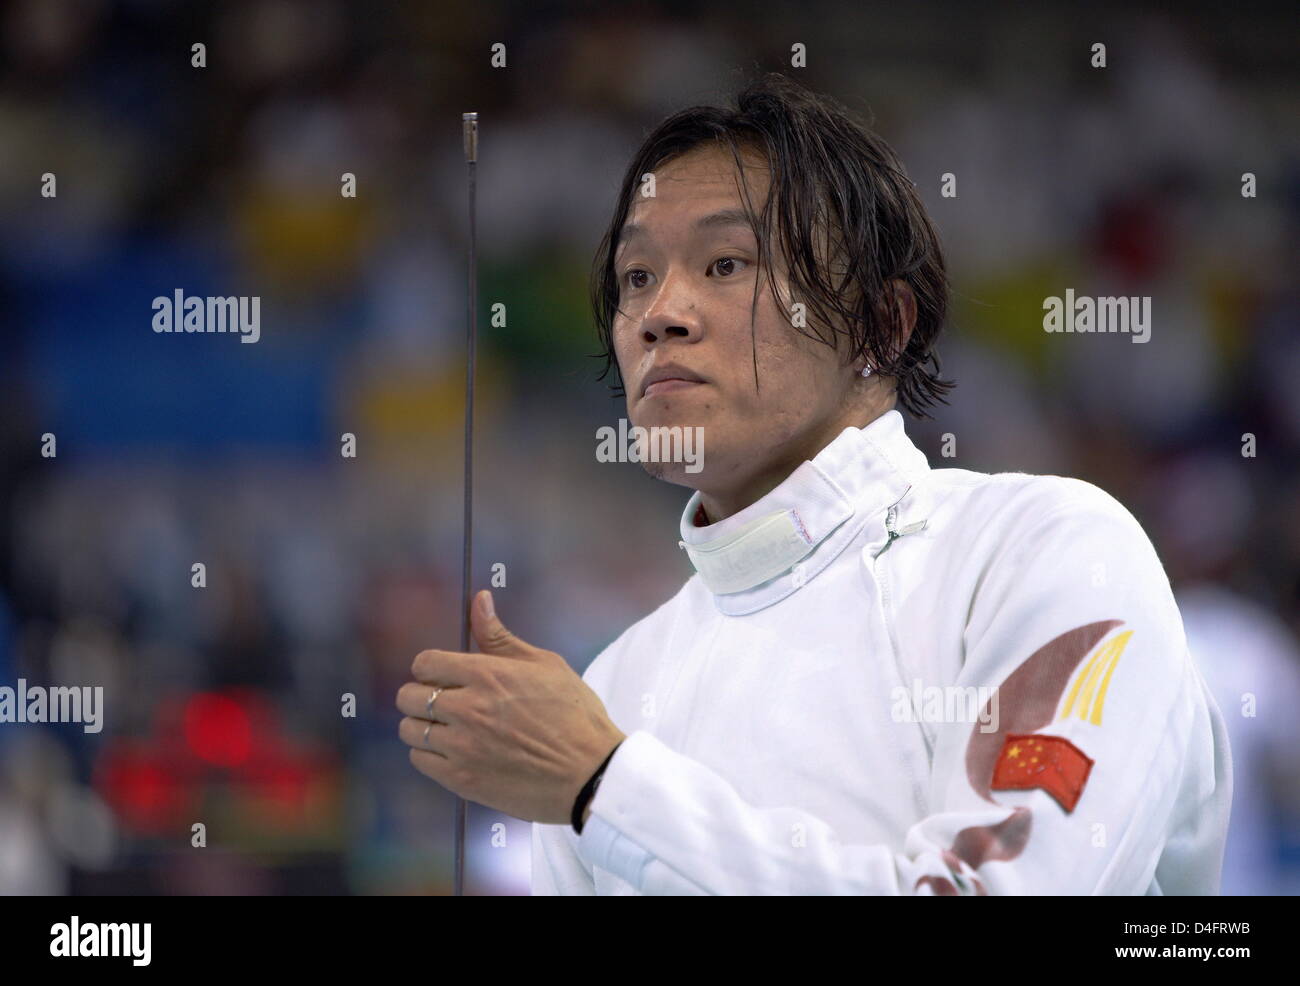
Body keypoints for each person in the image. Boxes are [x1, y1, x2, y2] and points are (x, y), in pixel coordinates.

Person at [395, 73, 1232, 895]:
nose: (660, 313)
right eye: (637, 277)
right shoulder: (613, 688)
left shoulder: (1044, 550)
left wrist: (605, 788)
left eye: (726, 264)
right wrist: (595, 778)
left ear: (880, 324)